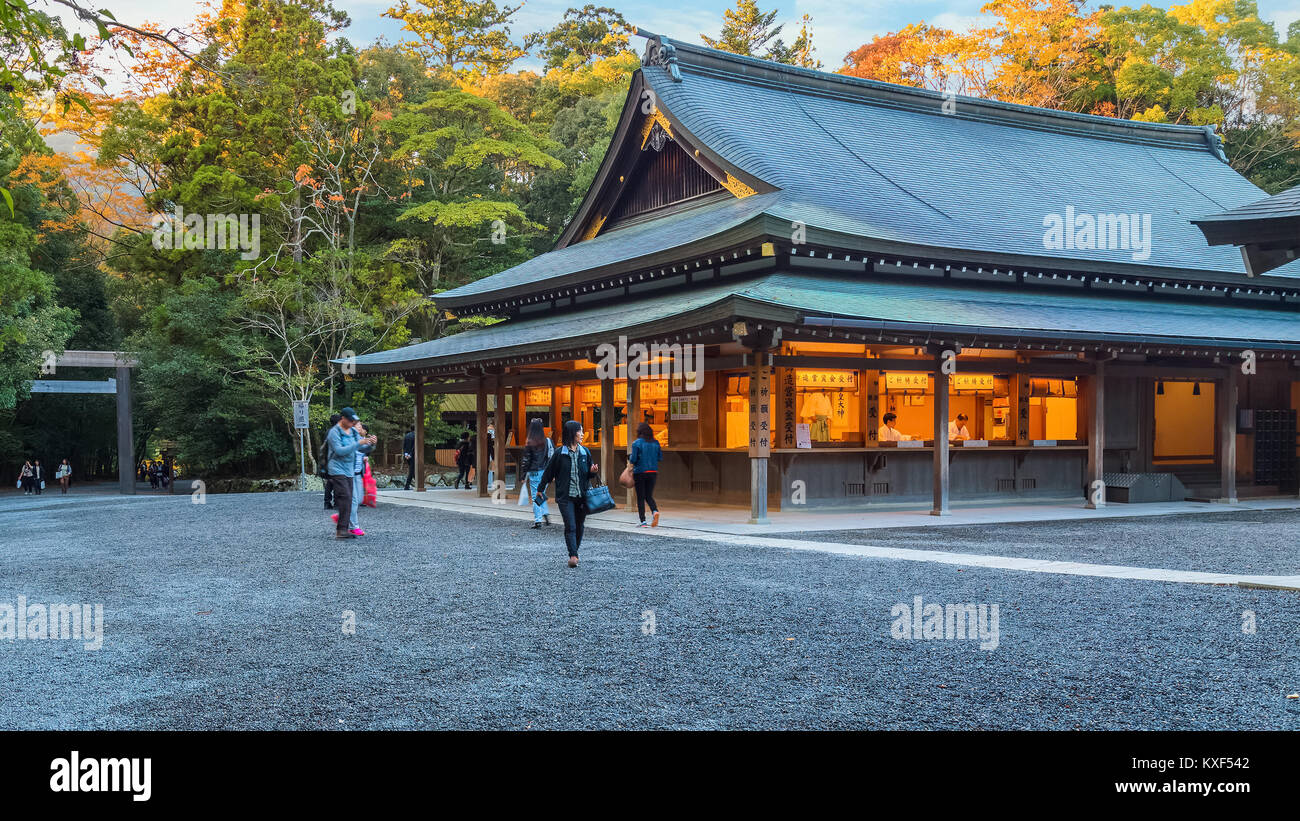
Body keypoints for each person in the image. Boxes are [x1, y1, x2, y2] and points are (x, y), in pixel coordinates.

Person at [534, 419, 600, 568]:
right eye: (580, 431)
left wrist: (593, 472)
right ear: (572, 433)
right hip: (565, 497)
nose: (582, 434)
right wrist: (540, 489)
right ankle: (573, 555)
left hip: (582, 495)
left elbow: (588, 474)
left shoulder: (585, 452)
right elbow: (548, 473)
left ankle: (574, 550)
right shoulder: (559, 453)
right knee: (570, 525)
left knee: (580, 525)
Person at [326, 407, 375, 540]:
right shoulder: (334, 433)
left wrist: (371, 444)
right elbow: (339, 451)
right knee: (347, 496)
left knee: (351, 499)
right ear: (343, 419)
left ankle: (343, 527)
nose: (353, 423)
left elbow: (362, 448)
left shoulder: (353, 431)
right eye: (351, 420)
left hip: (350, 469)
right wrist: (359, 443)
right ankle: (343, 529)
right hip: (336, 468)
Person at [517, 418, 553, 529]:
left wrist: (523, 475)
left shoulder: (530, 442)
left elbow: (526, 460)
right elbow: (552, 455)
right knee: (541, 493)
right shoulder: (547, 441)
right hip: (545, 472)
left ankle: (538, 521)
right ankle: (545, 513)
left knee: (535, 496)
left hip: (534, 473)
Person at [629, 421, 662, 527]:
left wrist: (630, 457)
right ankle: (655, 511)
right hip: (653, 472)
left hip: (640, 472)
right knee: (648, 495)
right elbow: (660, 458)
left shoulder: (636, 443)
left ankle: (643, 521)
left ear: (639, 432)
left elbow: (633, 459)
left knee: (640, 497)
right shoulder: (656, 443)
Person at [321, 413, 342, 509]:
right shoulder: (336, 432)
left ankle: (327, 502)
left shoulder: (327, 432)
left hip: (327, 460)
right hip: (335, 460)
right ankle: (337, 503)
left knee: (330, 482)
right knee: (337, 482)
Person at [402, 425, 416, 490]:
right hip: (413, 455)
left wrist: (405, 454)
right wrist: (410, 454)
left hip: (407, 455)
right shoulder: (415, 436)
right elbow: (414, 447)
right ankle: (407, 486)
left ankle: (417, 483)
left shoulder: (406, 435)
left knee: (412, 470)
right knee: (412, 470)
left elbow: (404, 446)